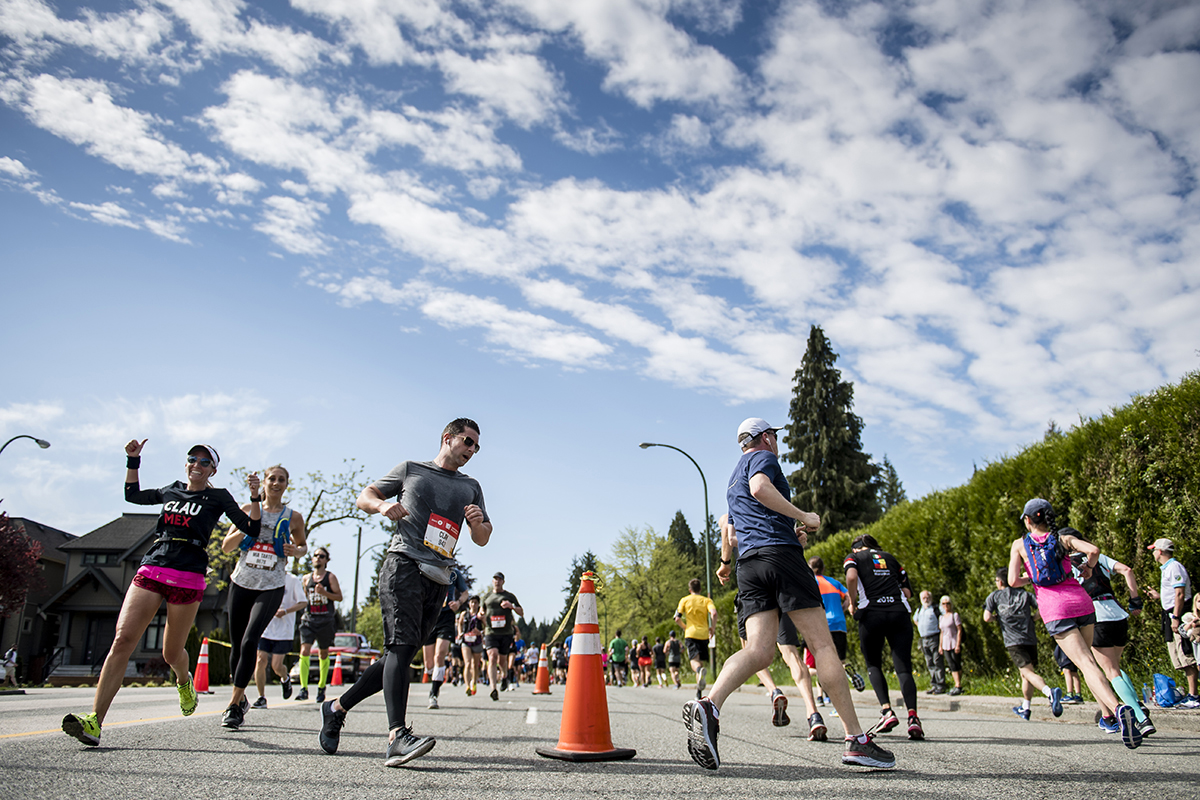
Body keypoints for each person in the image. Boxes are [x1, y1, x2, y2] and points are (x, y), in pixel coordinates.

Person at [684, 417, 894, 772]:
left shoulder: (731, 478)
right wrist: (803, 516)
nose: (777, 442)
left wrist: (774, 535)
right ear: (766, 437)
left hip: (749, 564)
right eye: (775, 436)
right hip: (779, 556)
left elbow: (732, 534)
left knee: (759, 651)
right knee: (822, 645)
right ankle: (856, 740)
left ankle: (709, 704)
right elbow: (761, 488)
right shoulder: (762, 459)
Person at [316, 418, 492, 766]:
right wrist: (382, 506)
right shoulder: (412, 470)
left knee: (401, 655)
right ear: (448, 438)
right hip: (404, 565)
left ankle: (336, 708)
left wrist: (476, 523)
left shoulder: (471, 487)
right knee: (400, 646)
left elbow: (483, 537)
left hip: (439, 577)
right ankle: (397, 735)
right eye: (467, 442)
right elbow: (365, 496)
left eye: (476, 446)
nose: (472, 451)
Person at [63, 441, 261, 746]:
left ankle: (185, 681)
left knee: (172, 653)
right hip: (154, 567)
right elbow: (133, 495)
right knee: (122, 639)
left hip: (189, 573)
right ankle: (95, 722)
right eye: (192, 459)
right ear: (186, 464)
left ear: (213, 470)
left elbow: (252, 528)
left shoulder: (218, 497)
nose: (197, 464)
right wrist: (133, 460)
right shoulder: (171, 490)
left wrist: (254, 497)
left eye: (204, 462)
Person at [1008, 498, 1141, 748]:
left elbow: (1013, 580)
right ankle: (1108, 715)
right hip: (1082, 602)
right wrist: (1088, 569)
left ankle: (1118, 709)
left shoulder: (1019, 545)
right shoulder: (1062, 538)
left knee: (1085, 664)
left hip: (1056, 608)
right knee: (1088, 663)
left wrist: (1034, 578)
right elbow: (1094, 551)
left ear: (1027, 520)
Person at [219, 464, 307, 728]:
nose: (276, 483)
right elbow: (225, 547)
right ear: (265, 482)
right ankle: (242, 696)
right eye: (272, 478)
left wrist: (296, 550)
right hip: (241, 582)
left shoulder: (294, 517)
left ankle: (233, 706)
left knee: (250, 640)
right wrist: (247, 529)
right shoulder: (247, 510)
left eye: (282, 479)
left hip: (271, 586)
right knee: (238, 645)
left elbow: (303, 547)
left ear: (286, 485)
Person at [844, 534, 922, 740]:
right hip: (899, 613)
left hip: (872, 613)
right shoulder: (890, 558)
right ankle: (913, 718)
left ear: (856, 549)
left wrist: (852, 603)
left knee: (874, 664)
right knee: (904, 667)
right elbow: (907, 593)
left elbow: (851, 577)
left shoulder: (853, 558)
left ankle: (887, 711)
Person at [1072, 547, 1155, 736]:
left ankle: (1140, 716)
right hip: (1118, 614)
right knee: (1115, 667)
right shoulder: (1098, 557)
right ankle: (1133, 700)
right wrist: (1135, 599)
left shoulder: (1067, 563)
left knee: (1106, 670)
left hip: (1095, 615)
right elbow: (1127, 570)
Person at [983, 567, 1061, 720]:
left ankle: (1049, 692)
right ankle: (1026, 708)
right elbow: (1042, 608)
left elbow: (986, 617)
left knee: (1027, 673)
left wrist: (997, 619)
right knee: (1025, 674)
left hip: (1013, 641)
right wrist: (1033, 619)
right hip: (1029, 638)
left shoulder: (995, 596)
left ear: (999, 582)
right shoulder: (1025, 594)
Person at [1145, 538, 1199, 707]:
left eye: (1154, 550)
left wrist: (1175, 617)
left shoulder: (1174, 567)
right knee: (1177, 655)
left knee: (1185, 653)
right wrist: (1159, 597)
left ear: (1160, 551)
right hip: (1169, 613)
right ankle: (1191, 693)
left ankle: (1194, 695)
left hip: (1178, 615)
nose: (1153, 553)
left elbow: (1180, 594)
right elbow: (1173, 594)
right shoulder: (1167, 568)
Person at [808, 555, 864, 700]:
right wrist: (844, 608)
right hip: (839, 623)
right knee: (840, 661)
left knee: (821, 663)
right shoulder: (833, 582)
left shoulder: (810, 582)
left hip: (820, 624)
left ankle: (826, 696)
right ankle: (842, 681)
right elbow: (849, 595)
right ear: (823, 568)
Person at [252, 570, 307, 707]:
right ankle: (261, 697)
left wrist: (286, 611)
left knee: (276, 666)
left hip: (283, 631)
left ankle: (285, 677)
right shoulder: (266, 576)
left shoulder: (292, 580)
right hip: (266, 628)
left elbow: (303, 602)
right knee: (260, 660)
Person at [295, 546, 342, 703]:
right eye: (315, 556)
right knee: (304, 650)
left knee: (323, 653)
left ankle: (321, 687)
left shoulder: (330, 578)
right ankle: (303, 688)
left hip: (325, 620)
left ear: (326, 560)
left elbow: (339, 597)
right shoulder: (306, 578)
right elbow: (304, 597)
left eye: (321, 556)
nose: (318, 558)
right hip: (309, 619)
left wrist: (325, 593)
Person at [423, 565, 469, 709]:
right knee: (429, 664)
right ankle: (434, 677)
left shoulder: (454, 573)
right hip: (429, 615)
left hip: (446, 616)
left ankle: (434, 694)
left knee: (439, 655)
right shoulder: (426, 567)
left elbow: (465, 592)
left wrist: (458, 603)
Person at [480, 572, 523, 701]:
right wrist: (480, 614)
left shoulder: (509, 596)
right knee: (492, 657)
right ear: (492, 581)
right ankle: (493, 688)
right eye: (495, 579)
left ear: (503, 582)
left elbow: (521, 612)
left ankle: (504, 676)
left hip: (505, 633)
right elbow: (481, 611)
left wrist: (511, 606)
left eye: (499, 579)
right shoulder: (487, 597)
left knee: (502, 661)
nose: (497, 581)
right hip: (490, 632)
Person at [675, 578, 717, 699]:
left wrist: (684, 627)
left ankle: (698, 671)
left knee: (694, 660)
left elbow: (677, 618)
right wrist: (712, 628)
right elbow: (714, 613)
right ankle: (698, 693)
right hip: (704, 634)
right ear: (700, 589)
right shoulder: (706, 600)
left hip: (691, 633)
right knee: (701, 660)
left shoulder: (684, 600)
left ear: (690, 590)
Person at [912, 591, 945, 694]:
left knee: (937, 661)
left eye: (927, 597)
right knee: (929, 662)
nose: (926, 600)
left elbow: (943, 619)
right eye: (924, 598)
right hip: (923, 639)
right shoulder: (919, 609)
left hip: (934, 637)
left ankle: (941, 684)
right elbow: (915, 620)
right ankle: (934, 684)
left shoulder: (935, 609)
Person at [939, 596, 964, 696]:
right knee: (951, 664)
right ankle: (957, 684)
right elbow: (942, 632)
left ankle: (958, 685)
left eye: (948, 603)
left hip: (954, 642)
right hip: (945, 643)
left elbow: (959, 630)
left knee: (956, 663)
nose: (946, 606)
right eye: (944, 604)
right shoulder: (941, 617)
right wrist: (940, 646)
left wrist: (958, 644)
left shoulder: (955, 615)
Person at [459, 595, 484, 695]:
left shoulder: (481, 615)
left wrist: (480, 632)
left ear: (478, 604)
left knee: (475, 665)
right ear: (469, 603)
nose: (473, 604)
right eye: (472, 602)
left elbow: (487, 627)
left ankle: (474, 681)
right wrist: (460, 632)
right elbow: (460, 623)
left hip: (477, 642)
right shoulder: (464, 614)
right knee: (468, 663)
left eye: (476, 602)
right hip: (466, 641)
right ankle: (467, 686)